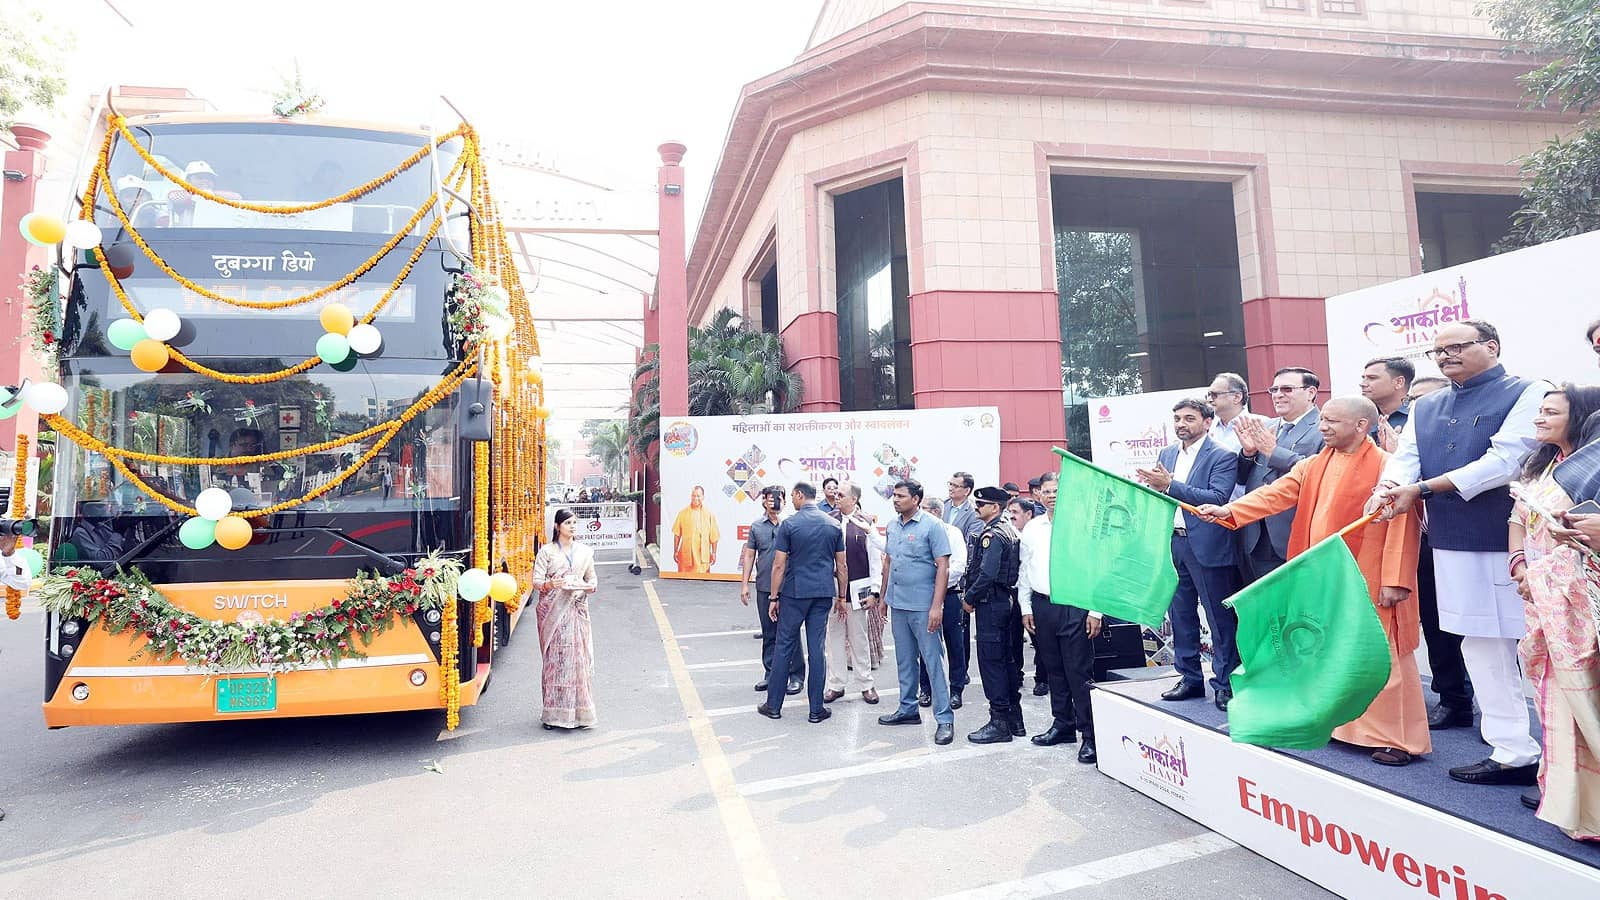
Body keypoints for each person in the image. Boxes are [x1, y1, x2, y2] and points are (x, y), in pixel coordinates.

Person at [1369, 319, 1549, 786]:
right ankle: (1513, 751)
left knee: (1544, 649)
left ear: (1492, 346)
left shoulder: (1529, 392)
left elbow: (1508, 460)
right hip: (1451, 541)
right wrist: (1388, 488)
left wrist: (1422, 488)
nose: (1445, 356)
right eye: (1438, 351)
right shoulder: (1426, 406)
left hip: (1514, 542)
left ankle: (1569, 760)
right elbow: (1404, 460)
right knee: (1480, 643)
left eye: (1457, 347)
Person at [1203, 397, 1428, 766]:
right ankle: (1338, 724)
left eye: (1332, 421)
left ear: (1360, 426)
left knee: (1380, 653)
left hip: (1370, 574)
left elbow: (1403, 529)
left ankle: (1394, 737)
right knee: (1326, 647)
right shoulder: (1313, 464)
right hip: (1323, 575)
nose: (1323, 427)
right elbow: (1276, 494)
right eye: (1322, 420)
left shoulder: (1389, 469)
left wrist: (1396, 580)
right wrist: (1230, 510)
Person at [1508, 383, 1600, 839]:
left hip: (1579, 601)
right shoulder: (1543, 467)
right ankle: (1565, 794)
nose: (1539, 420)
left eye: (1550, 412)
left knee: (1585, 695)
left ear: (1581, 416)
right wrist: (1520, 566)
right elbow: (1516, 520)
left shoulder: (1591, 470)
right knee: (1552, 695)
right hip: (1541, 596)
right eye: (1538, 412)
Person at [1137, 398, 1243, 711]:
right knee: (1180, 616)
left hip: (1209, 545)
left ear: (1208, 422)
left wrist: (1171, 486)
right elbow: (1162, 494)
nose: (1182, 424)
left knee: (1218, 619)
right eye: (1178, 419)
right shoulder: (1167, 454)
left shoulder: (1222, 456)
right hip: (1174, 543)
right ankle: (1189, 678)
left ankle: (1225, 683)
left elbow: (1216, 497)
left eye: (1189, 418)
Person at [1405, 375, 1476, 730]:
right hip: (1426, 542)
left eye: (1427, 400)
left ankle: (1498, 711)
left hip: (1472, 541)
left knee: (1485, 631)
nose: (1419, 408)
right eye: (1413, 401)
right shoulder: (1410, 440)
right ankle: (1453, 699)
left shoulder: (1468, 442)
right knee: (1436, 625)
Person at [1016, 470, 1100, 763]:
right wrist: (1025, 607)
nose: (1051, 496)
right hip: (1042, 606)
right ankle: (1062, 725)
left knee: (1078, 671)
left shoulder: (1082, 524)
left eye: (1056, 490)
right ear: (1038, 495)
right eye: (1046, 491)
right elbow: (1024, 570)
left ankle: (1090, 735)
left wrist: (1095, 611)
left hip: (1074, 604)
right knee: (1054, 669)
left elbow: (1095, 569)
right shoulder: (1033, 528)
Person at [875, 479, 957, 745]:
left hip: (923, 606)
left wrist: (937, 606)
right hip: (898, 603)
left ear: (916, 499)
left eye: (901, 496)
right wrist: (884, 597)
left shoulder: (932, 526)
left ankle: (944, 719)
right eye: (894, 495)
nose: (895, 500)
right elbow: (889, 562)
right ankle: (907, 708)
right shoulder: (892, 526)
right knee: (904, 659)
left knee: (932, 662)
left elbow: (942, 567)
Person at [759, 482, 847, 723]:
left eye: (793, 496)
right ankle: (816, 710)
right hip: (822, 593)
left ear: (799, 495)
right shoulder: (833, 525)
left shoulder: (790, 524)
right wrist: (841, 596)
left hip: (794, 593)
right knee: (817, 650)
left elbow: (779, 565)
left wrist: (773, 597)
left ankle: (773, 705)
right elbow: (841, 565)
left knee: (784, 646)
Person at [1235, 366, 1327, 582]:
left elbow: (1322, 473)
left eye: (1286, 389)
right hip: (1255, 534)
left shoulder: (1324, 426)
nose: (1278, 395)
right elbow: (1240, 479)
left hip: (1295, 532)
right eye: (1274, 389)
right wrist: (1248, 454)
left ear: (1311, 393)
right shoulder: (1265, 426)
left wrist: (1274, 452)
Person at [964, 486, 1025, 743]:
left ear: (995, 507)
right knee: (1006, 661)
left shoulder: (993, 535)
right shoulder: (1008, 529)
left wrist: (970, 598)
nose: (977, 508)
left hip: (992, 603)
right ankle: (1014, 719)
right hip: (1005, 602)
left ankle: (999, 721)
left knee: (992, 663)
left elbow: (987, 574)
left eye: (981, 504)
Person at [532, 508, 599, 730]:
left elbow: (591, 578)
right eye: (568, 523)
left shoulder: (585, 552)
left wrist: (590, 587)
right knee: (556, 663)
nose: (572, 526)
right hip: (553, 613)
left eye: (574, 523)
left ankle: (580, 715)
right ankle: (552, 716)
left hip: (577, 611)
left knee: (578, 662)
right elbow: (537, 581)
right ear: (557, 526)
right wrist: (552, 584)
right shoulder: (547, 552)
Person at [823, 481, 882, 704]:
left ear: (854, 499)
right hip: (833, 591)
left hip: (859, 591)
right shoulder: (829, 520)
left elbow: (875, 560)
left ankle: (866, 684)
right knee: (834, 638)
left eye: (841, 494)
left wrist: (875, 592)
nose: (836, 496)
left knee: (859, 638)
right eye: (835, 493)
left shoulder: (866, 523)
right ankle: (836, 684)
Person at [742, 486, 802, 695]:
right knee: (769, 633)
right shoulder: (757, 526)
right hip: (764, 587)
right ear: (763, 502)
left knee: (791, 632)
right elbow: (750, 555)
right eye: (769, 499)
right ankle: (770, 674)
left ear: (785, 501)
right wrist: (744, 585)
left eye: (778, 499)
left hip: (789, 588)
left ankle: (796, 676)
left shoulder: (792, 524)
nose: (773, 502)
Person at [918, 496, 969, 710]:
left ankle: (956, 690)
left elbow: (958, 565)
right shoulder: (920, 532)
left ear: (936, 512)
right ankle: (926, 689)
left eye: (924, 510)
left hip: (949, 595)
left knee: (954, 644)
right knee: (926, 646)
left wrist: (938, 580)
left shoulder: (952, 533)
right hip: (923, 597)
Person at [1008, 496, 1048, 697]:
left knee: (1039, 638)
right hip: (1013, 593)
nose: (1011, 516)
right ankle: (1016, 675)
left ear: (1028, 514)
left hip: (1035, 593)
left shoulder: (1038, 532)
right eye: (1010, 512)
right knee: (1014, 637)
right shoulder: (1010, 533)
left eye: (1015, 512)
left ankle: (1042, 678)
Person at [1361, 357, 1416, 450]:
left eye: (1372, 378)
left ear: (1399, 382)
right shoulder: (1361, 418)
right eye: (1364, 378)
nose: (1362, 384)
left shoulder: (1418, 417)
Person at [671, 485, 721, 574]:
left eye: (698, 496)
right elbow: (677, 535)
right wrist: (675, 551)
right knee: (683, 585)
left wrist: (713, 553)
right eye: (693, 496)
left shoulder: (709, 515)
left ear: (703, 497)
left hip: (703, 559)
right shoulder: (682, 513)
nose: (695, 498)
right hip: (685, 558)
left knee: (702, 585)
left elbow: (714, 537)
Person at [1206, 372, 1250, 454]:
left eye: (1214, 395)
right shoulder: (1207, 427)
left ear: (1237, 397)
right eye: (1208, 395)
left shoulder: (1262, 424)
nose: (1209, 399)